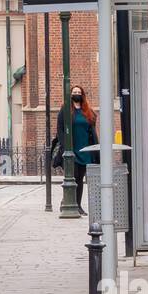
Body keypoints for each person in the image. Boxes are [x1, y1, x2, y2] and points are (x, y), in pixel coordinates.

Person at [51, 85, 98, 218]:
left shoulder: (87, 111)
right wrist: (65, 146)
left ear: (82, 94)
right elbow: (60, 129)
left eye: (79, 92)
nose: (76, 94)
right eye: (74, 92)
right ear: (70, 94)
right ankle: (68, 202)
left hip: (85, 150)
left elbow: (91, 130)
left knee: (80, 178)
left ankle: (78, 205)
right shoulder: (65, 110)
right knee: (73, 178)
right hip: (71, 149)